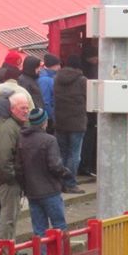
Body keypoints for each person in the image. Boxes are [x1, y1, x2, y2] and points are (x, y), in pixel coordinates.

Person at [17, 108, 71, 242]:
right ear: (44, 122)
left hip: (32, 192)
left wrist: (25, 186)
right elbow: (55, 165)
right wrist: (65, 172)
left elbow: (18, 167)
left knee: (39, 231)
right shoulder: (49, 140)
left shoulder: (22, 139)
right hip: (50, 190)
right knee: (59, 227)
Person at [0, 92, 30, 248]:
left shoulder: (14, 125)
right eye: (22, 108)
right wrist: (15, 178)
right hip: (7, 181)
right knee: (8, 218)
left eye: (27, 108)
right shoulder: (8, 129)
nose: (26, 111)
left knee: (11, 217)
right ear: (12, 109)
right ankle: (5, 253)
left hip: (10, 179)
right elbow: (3, 159)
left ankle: (9, 250)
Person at [52, 54, 88, 194]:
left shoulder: (57, 79)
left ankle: (60, 181)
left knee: (62, 153)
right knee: (74, 155)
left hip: (60, 120)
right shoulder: (82, 80)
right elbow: (88, 98)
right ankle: (70, 183)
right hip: (77, 122)